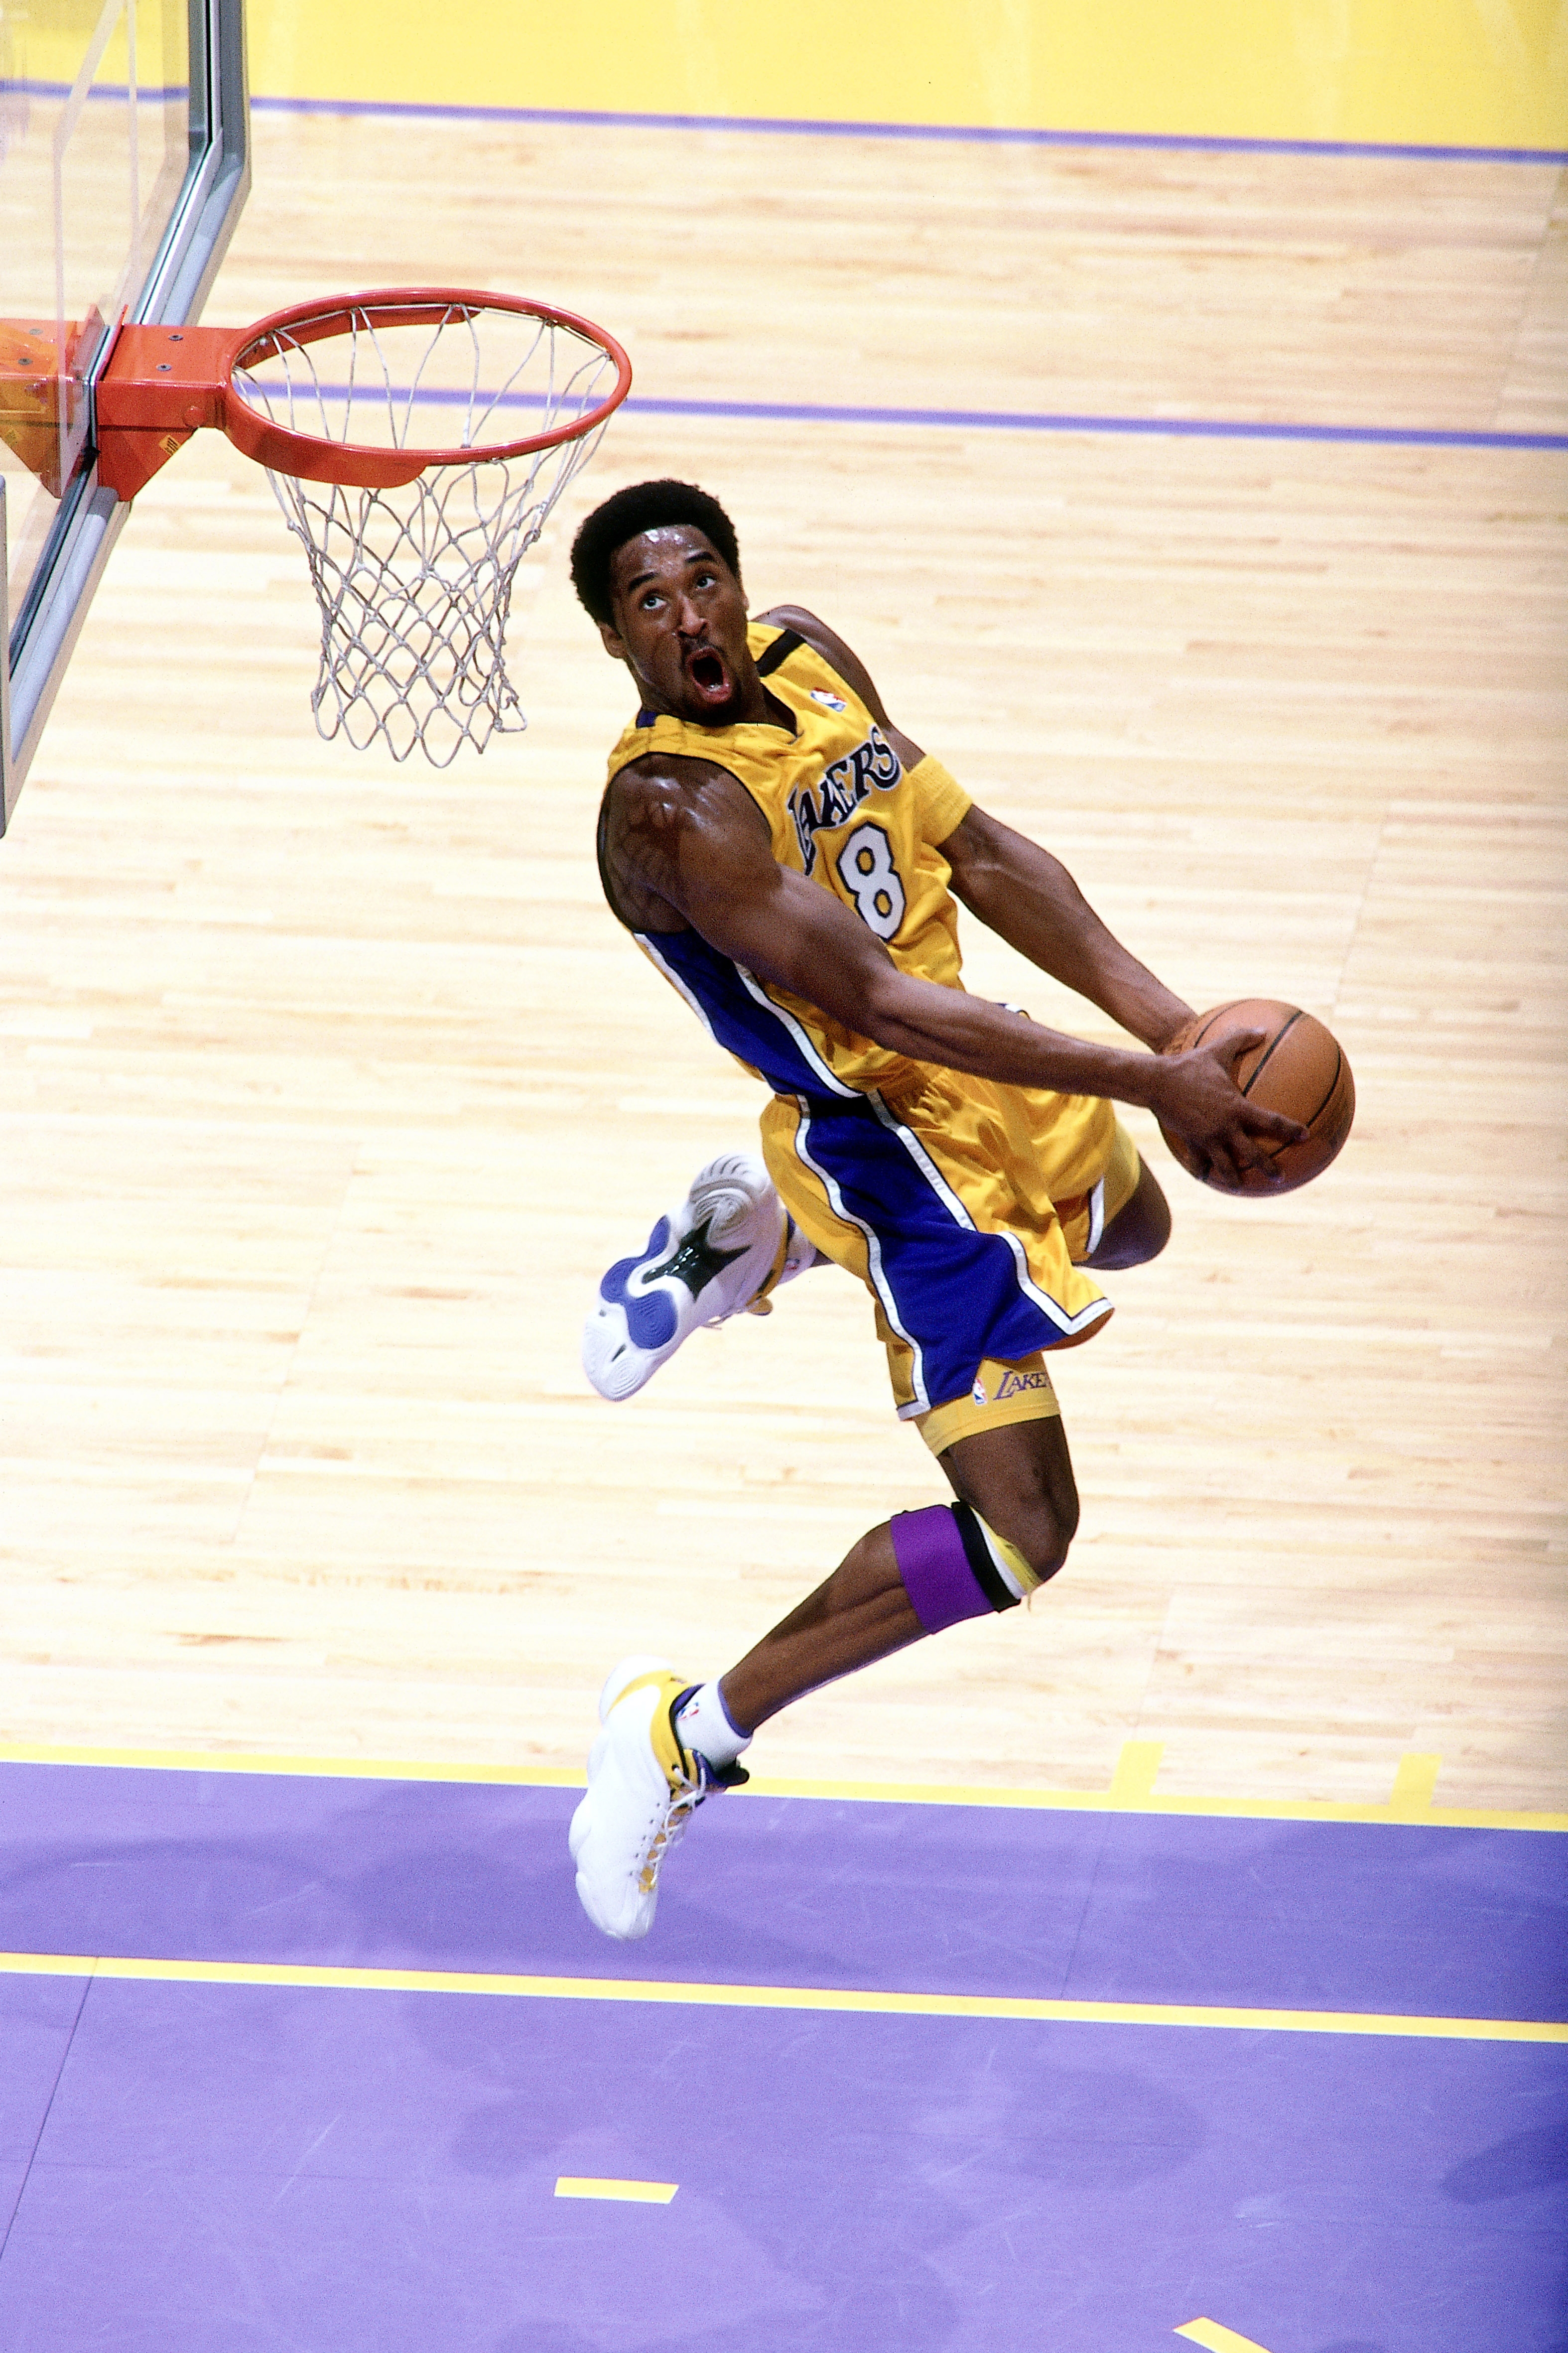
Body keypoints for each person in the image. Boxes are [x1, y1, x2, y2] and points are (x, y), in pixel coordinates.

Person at [564, 478, 1304, 1940]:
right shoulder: (671, 810)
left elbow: (981, 851)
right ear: (614, 638)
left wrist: (1182, 1027)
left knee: (1140, 1226)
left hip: (983, 1060)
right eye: (651, 602)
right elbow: (879, 999)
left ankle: (747, 1225)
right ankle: (682, 1737)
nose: (691, 615)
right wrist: (1154, 1080)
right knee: (1024, 1530)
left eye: (702, 579)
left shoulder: (812, 657)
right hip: (890, 1140)